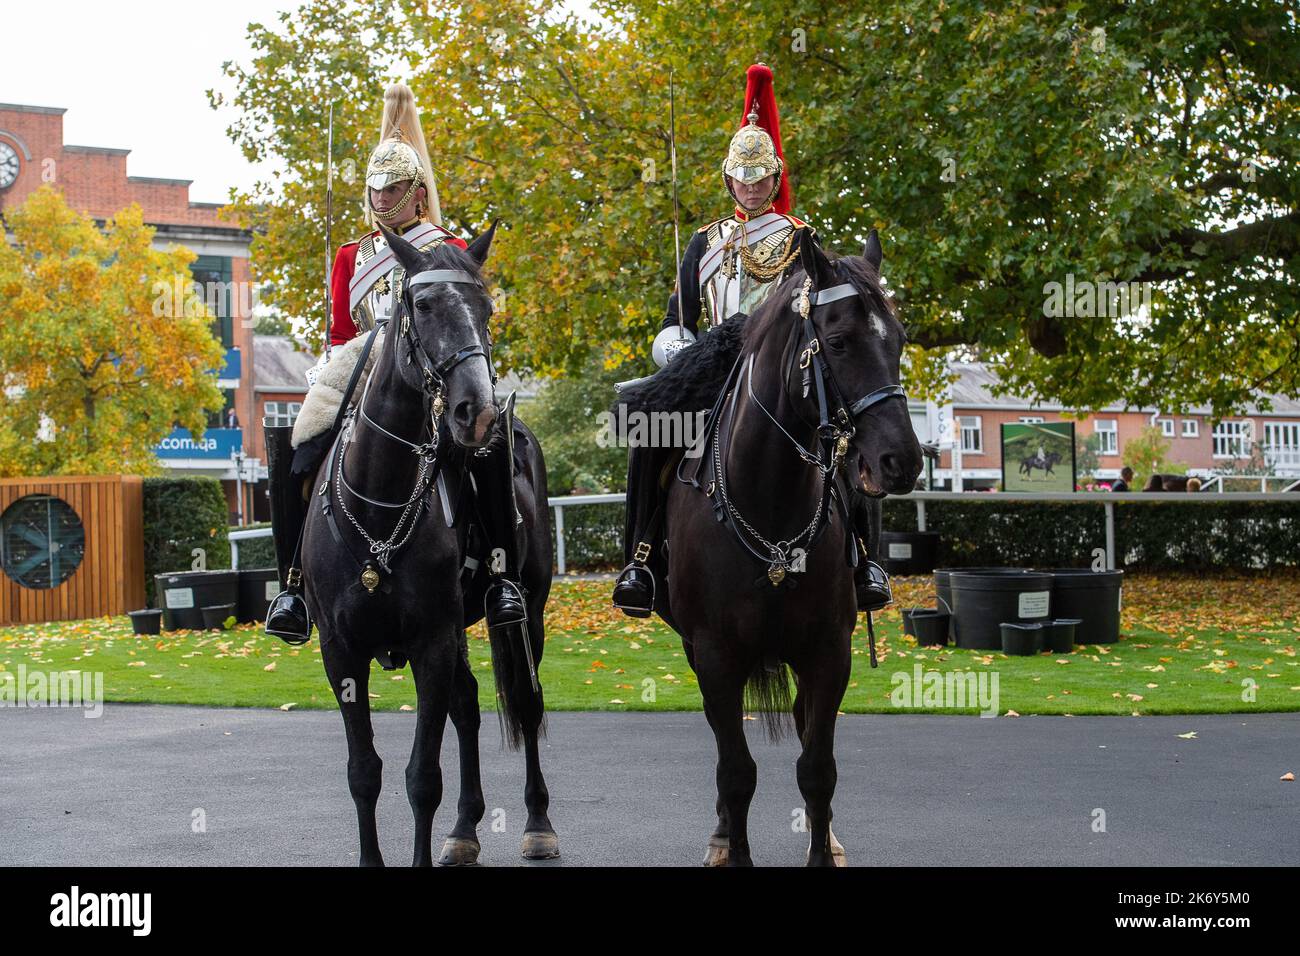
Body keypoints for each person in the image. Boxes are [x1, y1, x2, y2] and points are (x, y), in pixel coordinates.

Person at [612, 64, 890, 617]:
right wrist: (676, 346)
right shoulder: (702, 241)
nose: (752, 186)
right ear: (728, 179)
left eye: (761, 177)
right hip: (712, 370)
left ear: (775, 177)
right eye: (742, 177)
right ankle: (640, 559)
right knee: (647, 426)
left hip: (782, 369)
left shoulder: (799, 238)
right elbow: (678, 316)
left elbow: (821, 311)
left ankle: (866, 558)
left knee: (844, 432)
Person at [264, 83, 525, 647]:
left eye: (396, 188)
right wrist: (337, 376)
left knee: (488, 439)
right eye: (376, 189)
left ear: (419, 192)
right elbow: (338, 331)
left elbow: (467, 321)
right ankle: (290, 584)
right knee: (294, 440)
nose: (383, 199)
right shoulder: (348, 257)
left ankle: (501, 574)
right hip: (358, 373)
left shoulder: (448, 245)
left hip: (432, 374)